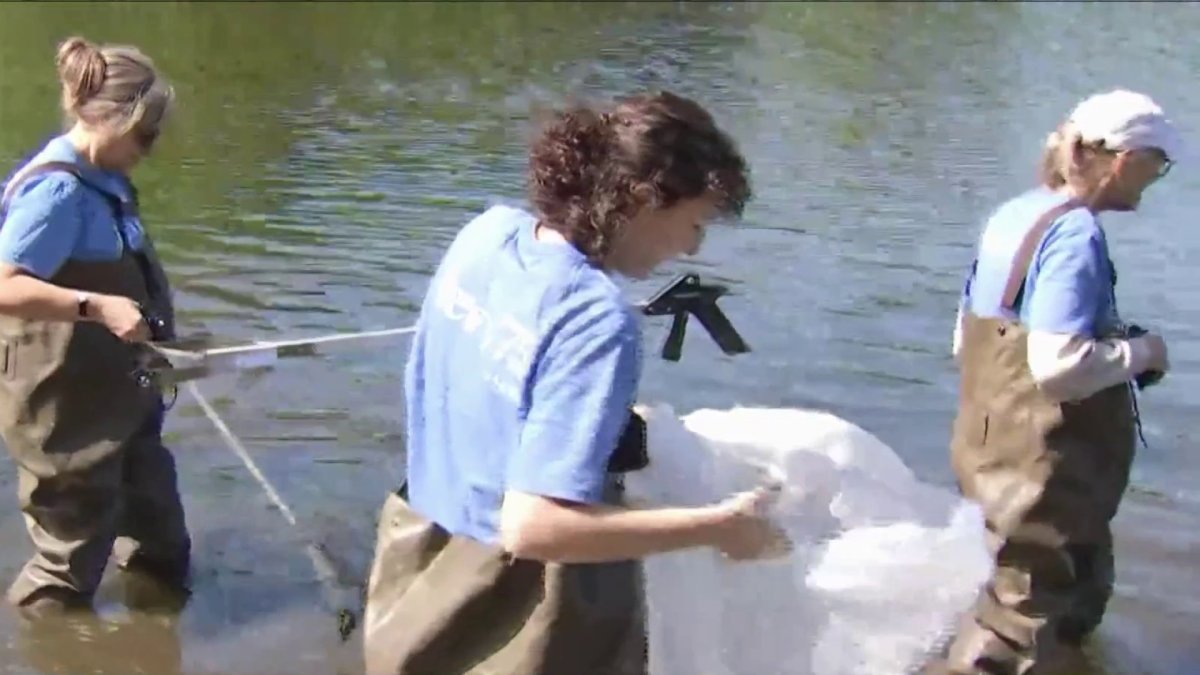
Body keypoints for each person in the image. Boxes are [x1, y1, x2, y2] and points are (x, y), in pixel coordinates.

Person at [362, 90, 789, 675]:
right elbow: (533, 527)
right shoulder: (598, 319)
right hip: (506, 603)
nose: (693, 247)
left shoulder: (487, 234)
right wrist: (720, 528)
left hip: (417, 556)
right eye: (693, 222)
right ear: (643, 199)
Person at [938, 89, 1180, 674]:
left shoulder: (1016, 214)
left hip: (988, 447)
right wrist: (1143, 352)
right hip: (1042, 467)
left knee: (1050, 593)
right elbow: (1057, 367)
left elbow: (964, 340)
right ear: (1125, 160)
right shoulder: (1076, 235)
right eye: (1158, 165)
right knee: (1024, 617)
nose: (1156, 179)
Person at [0, 36, 189, 618]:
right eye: (145, 134)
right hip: (67, 404)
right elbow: (3, 285)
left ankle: (151, 636)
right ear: (112, 119)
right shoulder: (57, 191)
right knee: (70, 553)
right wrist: (98, 306)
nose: (149, 148)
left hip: (119, 392)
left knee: (160, 536)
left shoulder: (103, 177)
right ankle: (44, 638)